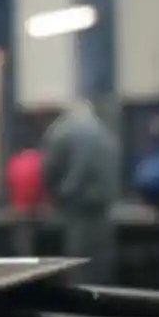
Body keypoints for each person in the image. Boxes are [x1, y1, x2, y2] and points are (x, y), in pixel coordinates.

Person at [41, 99, 120, 284]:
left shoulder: (60, 131)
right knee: (101, 263)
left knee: (78, 263)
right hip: (104, 208)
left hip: (77, 207)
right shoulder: (104, 131)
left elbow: (49, 169)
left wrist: (57, 195)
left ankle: (79, 303)